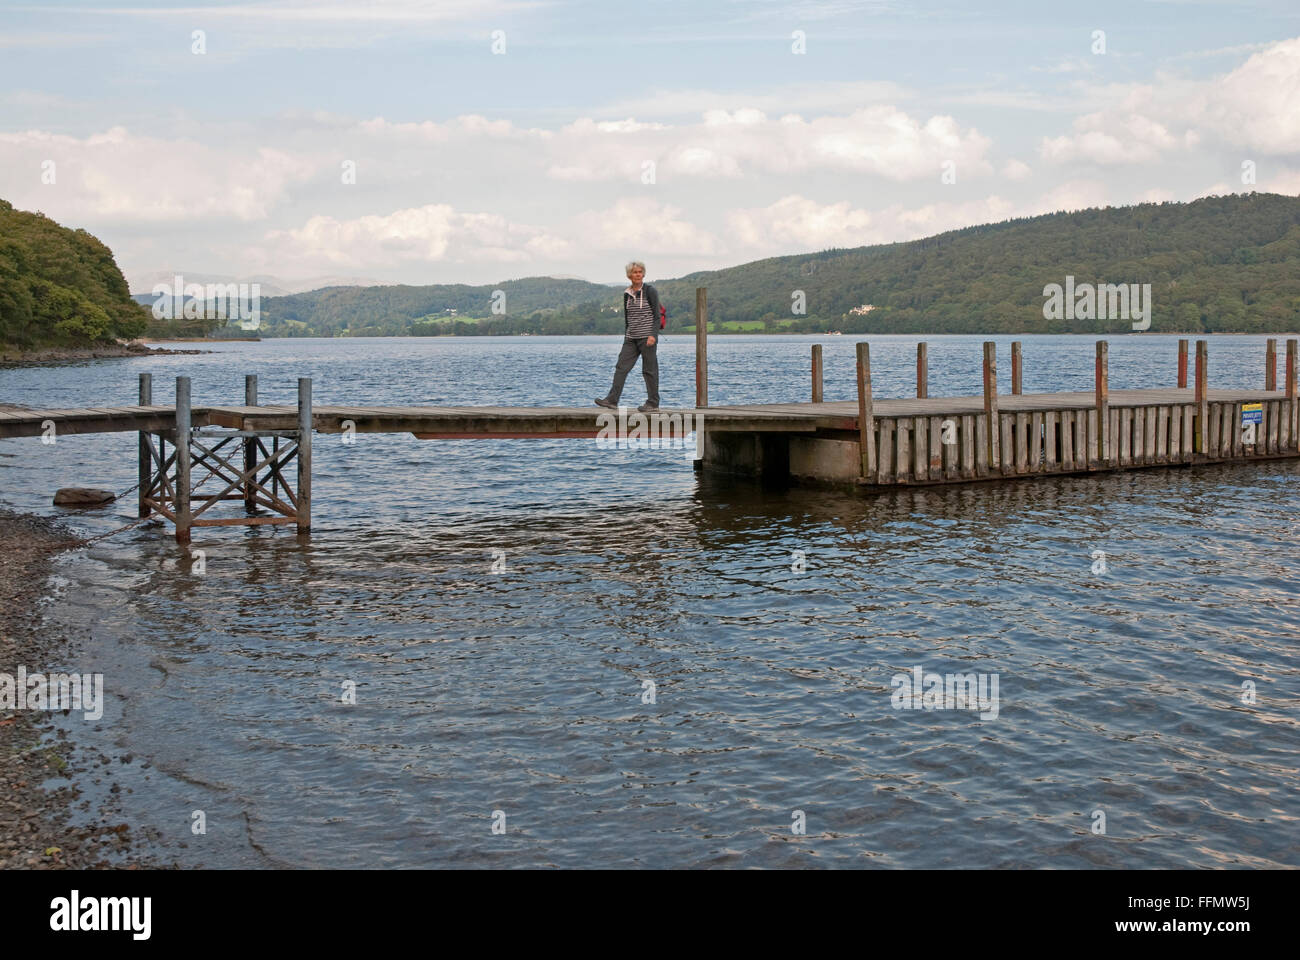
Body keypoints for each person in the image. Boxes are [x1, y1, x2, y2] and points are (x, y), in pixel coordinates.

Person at [595, 261, 661, 412]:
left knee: (649, 370)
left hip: (647, 338)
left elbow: (657, 316)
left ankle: (653, 403)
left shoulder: (650, 291)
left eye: (640, 272)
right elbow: (628, 317)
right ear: (629, 275)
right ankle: (612, 400)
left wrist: (653, 335)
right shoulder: (627, 293)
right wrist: (626, 336)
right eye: (634, 272)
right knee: (621, 367)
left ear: (643, 274)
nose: (637, 274)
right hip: (631, 338)